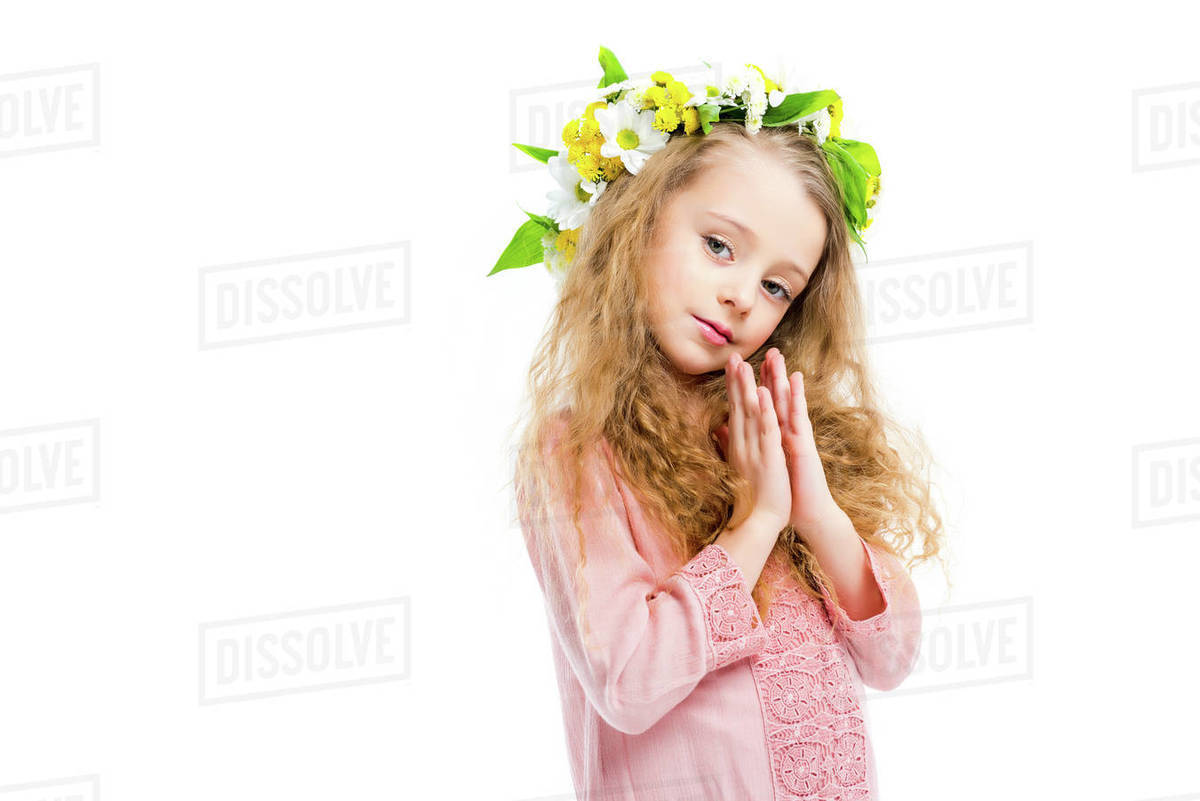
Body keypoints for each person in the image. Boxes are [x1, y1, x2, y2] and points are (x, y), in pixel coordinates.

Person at [499, 48, 948, 801]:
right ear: (633, 224)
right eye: (718, 246)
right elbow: (629, 679)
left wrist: (815, 512)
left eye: (776, 284)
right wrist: (757, 521)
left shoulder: (774, 432)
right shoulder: (577, 451)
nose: (743, 295)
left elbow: (893, 656)